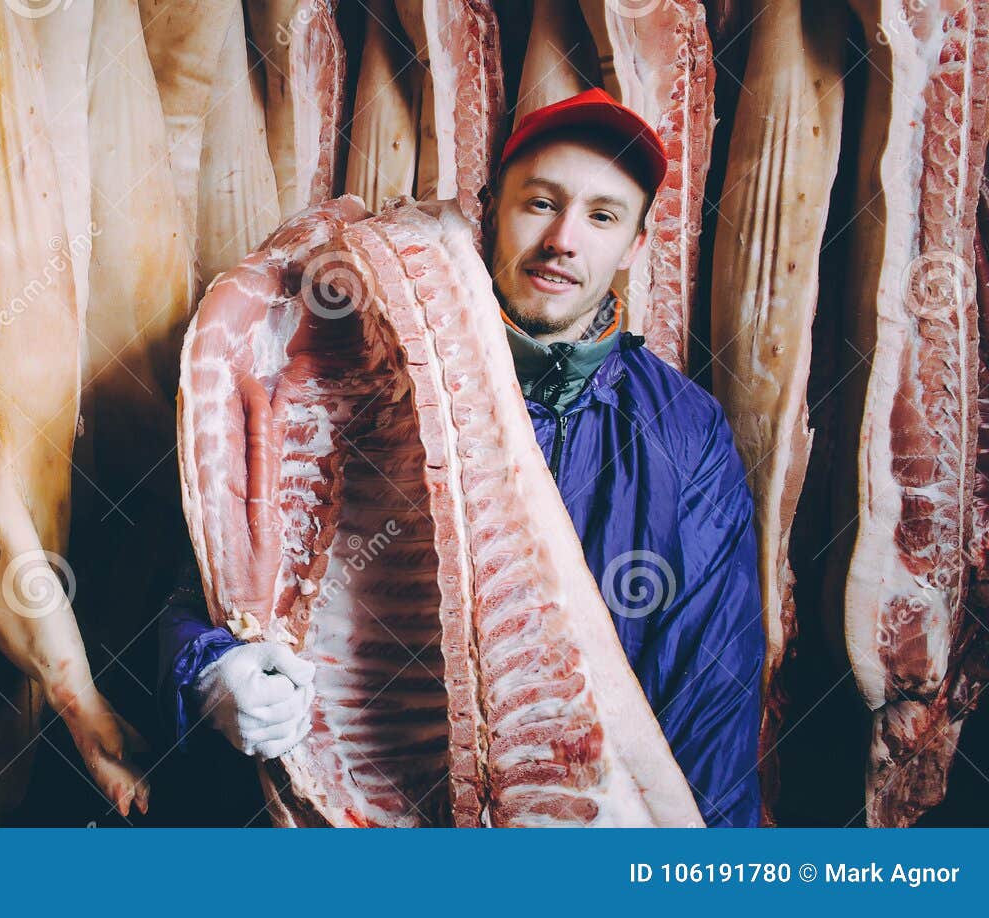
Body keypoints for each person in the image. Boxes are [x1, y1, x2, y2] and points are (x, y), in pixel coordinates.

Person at [157, 88, 766, 827]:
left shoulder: (682, 431)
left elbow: (715, 690)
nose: (564, 239)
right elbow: (210, 584)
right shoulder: (365, 361)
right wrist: (210, 670)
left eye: (602, 216)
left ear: (635, 246)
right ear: (489, 210)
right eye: (541, 203)